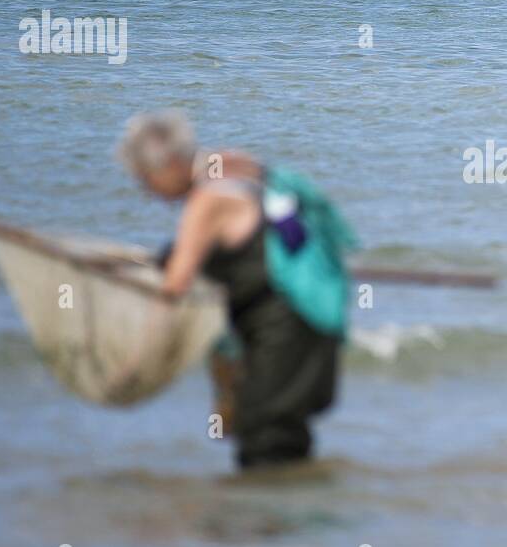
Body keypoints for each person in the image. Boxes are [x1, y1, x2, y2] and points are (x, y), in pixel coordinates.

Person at [118, 110, 354, 470]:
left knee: (265, 439)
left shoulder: (207, 201)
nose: (149, 194)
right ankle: (298, 512)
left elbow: (174, 288)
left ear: (169, 165)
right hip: (308, 317)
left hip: (283, 330)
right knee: (281, 435)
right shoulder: (235, 166)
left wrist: (135, 361)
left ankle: (273, 517)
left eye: (146, 180)